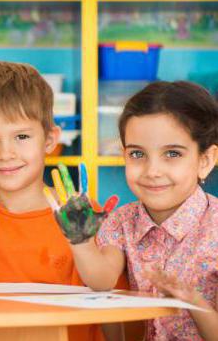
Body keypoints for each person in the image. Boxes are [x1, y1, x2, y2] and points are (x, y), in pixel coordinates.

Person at [0, 61, 107, 341]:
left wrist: (83, 243)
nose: (6, 153)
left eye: (22, 136)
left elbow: (107, 291)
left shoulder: (80, 215)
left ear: (50, 139)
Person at [61, 81, 218, 340]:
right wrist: (80, 240)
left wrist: (192, 300)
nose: (152, 171)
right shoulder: (122, 221)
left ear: (205, 160)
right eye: (137, 154)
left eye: (172, 154)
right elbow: (102, 281)